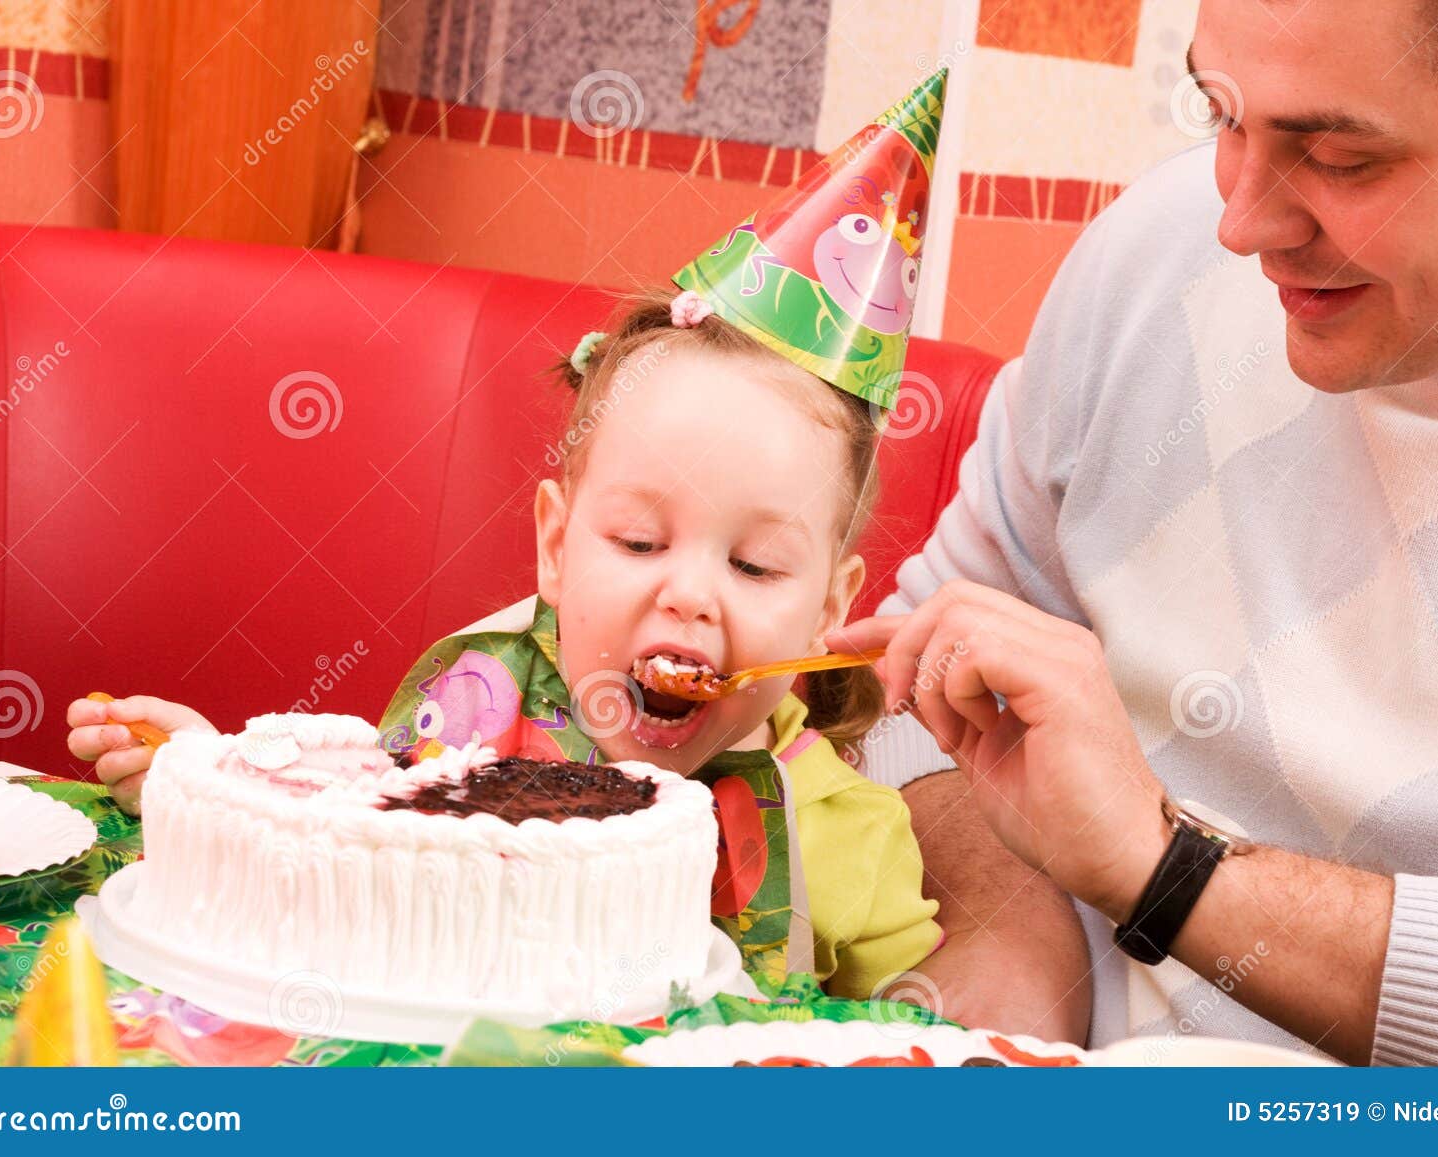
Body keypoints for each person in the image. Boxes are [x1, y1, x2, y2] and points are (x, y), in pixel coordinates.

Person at [66, 71, 1094, 1033]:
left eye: (753, 566)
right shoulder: (474, 710)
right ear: (556, 544)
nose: (690, 593)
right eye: (640, 540)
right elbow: (341, 859)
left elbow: (914, 1043)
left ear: (830, 607)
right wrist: (209, 781)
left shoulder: (850, 837)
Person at [832, 0, 1438, 1066]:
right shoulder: (1152, 253)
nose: (1239, 226)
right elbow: (909, 691)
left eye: (1340, 159)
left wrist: (1167, 872)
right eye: (1223, 116)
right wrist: (1013, 978)